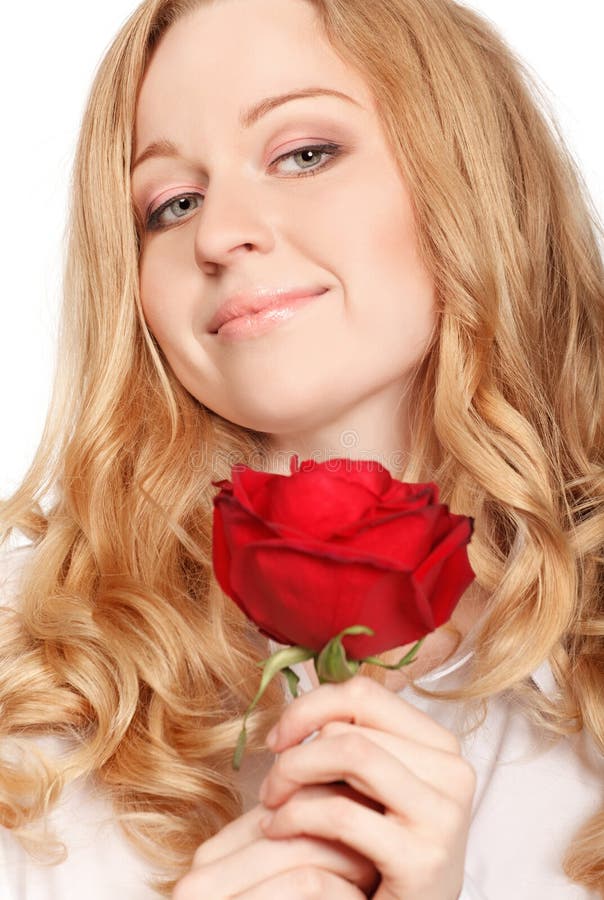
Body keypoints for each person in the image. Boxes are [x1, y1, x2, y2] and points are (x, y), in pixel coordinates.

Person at [0, 0, 602, 897]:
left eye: (304, 153)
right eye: (172, 203)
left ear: (474, 174)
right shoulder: (28, 670)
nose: (216, 234)